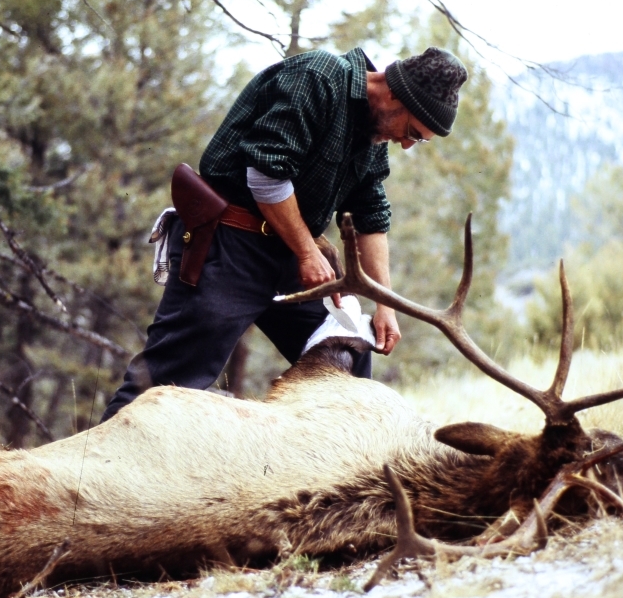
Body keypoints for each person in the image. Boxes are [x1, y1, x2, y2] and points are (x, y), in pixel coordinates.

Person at [101, 44, 467, 419]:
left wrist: (385, 306)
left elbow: (371, 215)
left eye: (418, 140)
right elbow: (266, 174)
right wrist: (308, 252)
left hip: (289, 257)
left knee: (351, 366)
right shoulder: (319, 78)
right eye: (412, 132)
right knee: (164, 384)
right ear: (393, 94)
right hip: (229, 246)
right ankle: (93, 457)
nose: (406, 144)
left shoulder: (372, 134)